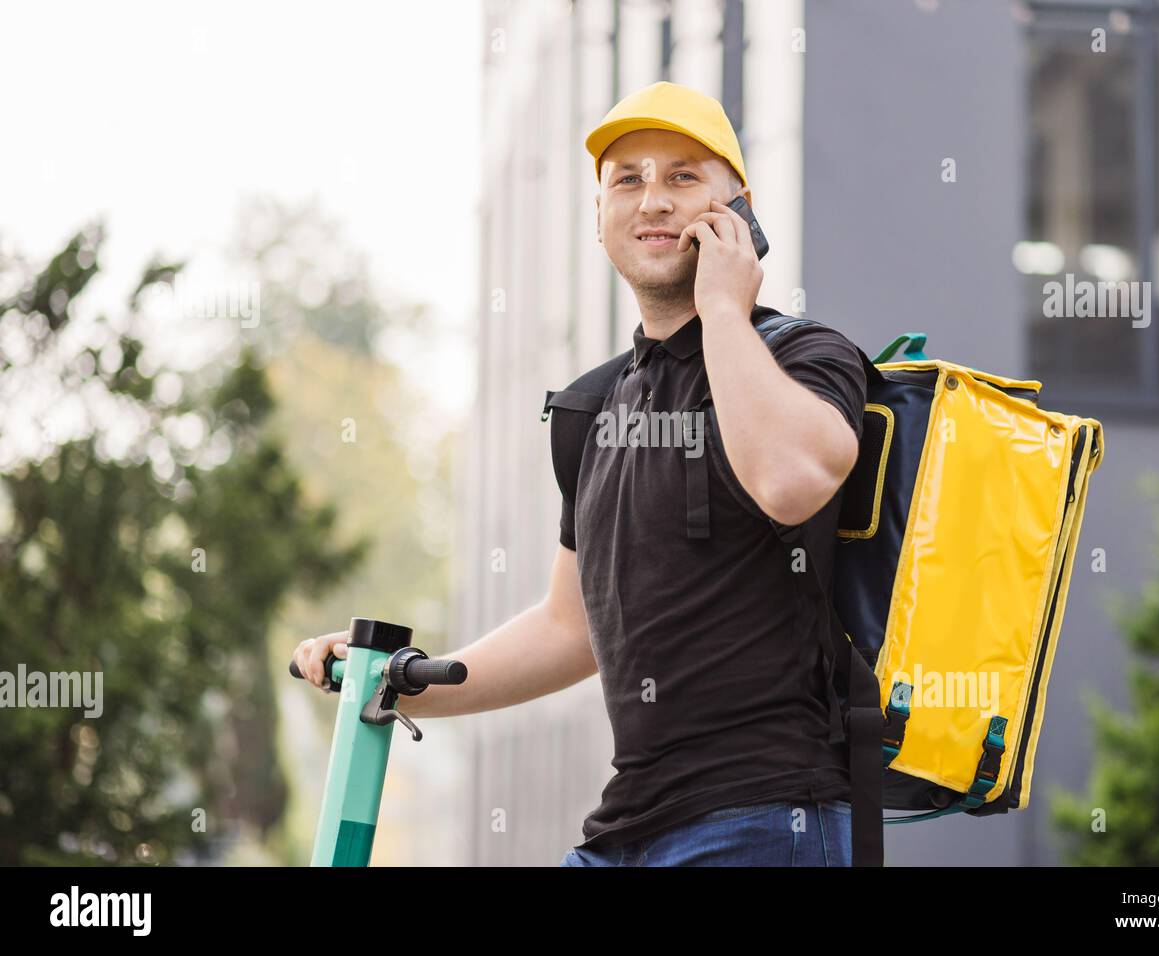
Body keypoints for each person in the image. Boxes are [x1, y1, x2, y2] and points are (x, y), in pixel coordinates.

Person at [292, 81, 868, 867]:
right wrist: (393, 681)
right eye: (627, 180)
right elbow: (571, 628)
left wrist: (725, 310)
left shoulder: (806, 357)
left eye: (683, 177)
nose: (653, 200)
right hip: (629, 828)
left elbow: (791, 481)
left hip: (768, 819)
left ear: (739, 210)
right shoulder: (594, 409)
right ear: (600, 219)